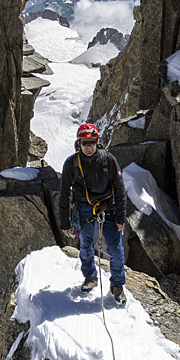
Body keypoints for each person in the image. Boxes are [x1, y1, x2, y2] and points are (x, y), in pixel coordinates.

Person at [59, 122, 127, 306]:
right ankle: (90, 277)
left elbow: (120, 190)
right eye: (84, 143)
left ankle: (118, 285)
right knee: (86, 245)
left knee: (116, 249)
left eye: (91, 142)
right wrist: (64, 222)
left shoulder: (108, 160)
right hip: (85, 208)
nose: (88, 147)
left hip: (109, 207)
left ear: (97, 142)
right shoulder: (72, 164)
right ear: (78, 144)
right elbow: (64, 192)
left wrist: (121, 218)